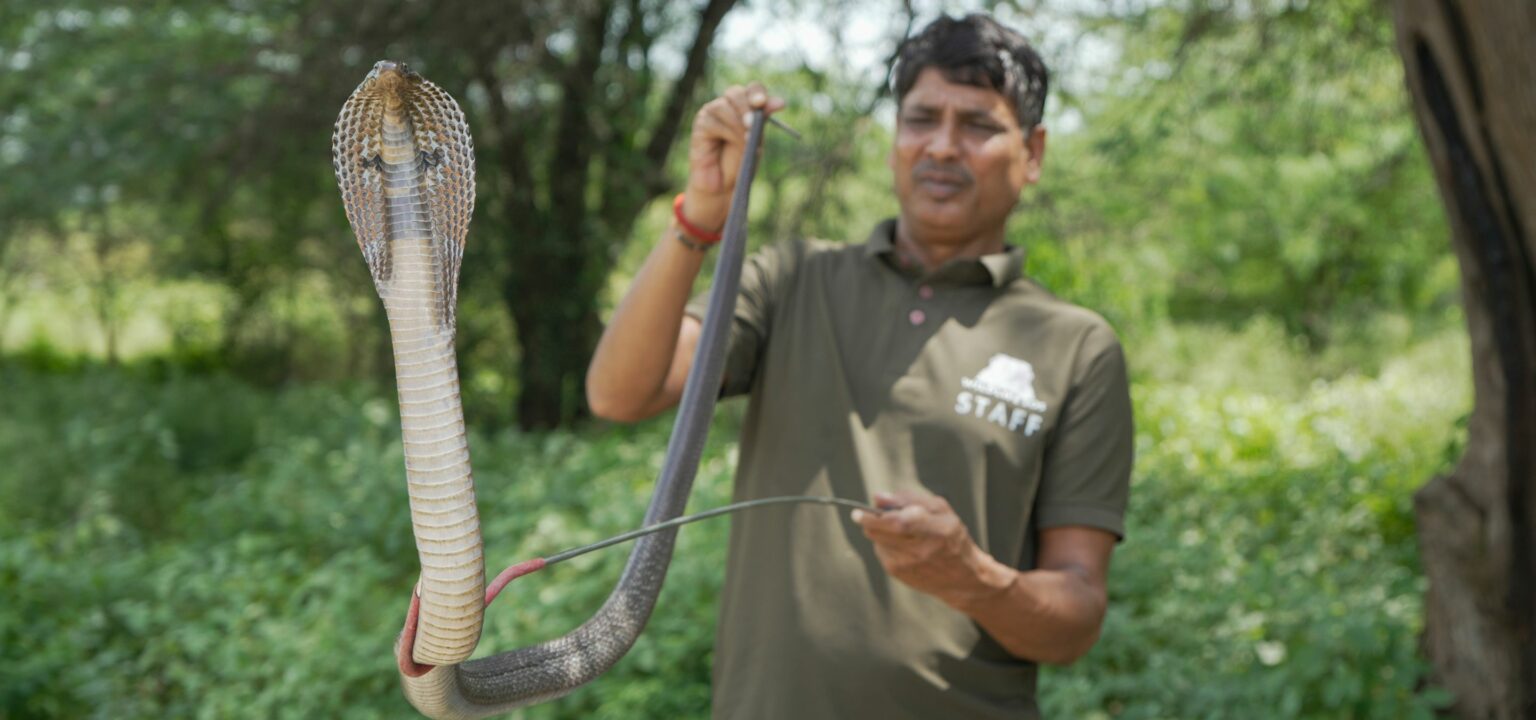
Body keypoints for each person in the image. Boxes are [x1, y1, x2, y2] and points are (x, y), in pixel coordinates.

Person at [585, 12, 1133, 719]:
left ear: (1032, 153)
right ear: (894, 137)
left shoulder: (1076, 346)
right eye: (921, 119)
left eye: (977, 125)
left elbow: (1076, 620)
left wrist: (972, 577)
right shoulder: (792, 279)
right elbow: (620, 393)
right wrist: (702, 215)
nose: (942, 146)